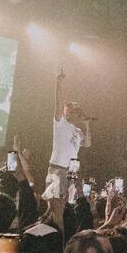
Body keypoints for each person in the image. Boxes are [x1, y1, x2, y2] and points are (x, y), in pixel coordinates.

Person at [45, 69, 91, 200]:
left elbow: (87, 144)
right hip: (58, 168)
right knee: (54, 201)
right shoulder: (60, 123)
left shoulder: (78, 131)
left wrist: (87, 125)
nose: (71, 113)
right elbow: (58, 103)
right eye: (68, 111)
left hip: (72, 170)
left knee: (69, 203)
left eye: (74, 111)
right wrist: (58, 84)